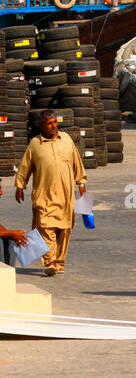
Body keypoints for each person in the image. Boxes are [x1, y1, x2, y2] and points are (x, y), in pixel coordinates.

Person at [15, 112, 87, 276]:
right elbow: (24, 168)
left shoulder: (67, 140)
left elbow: (77, 162)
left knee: (65, 230)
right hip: (44, 196)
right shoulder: (35, 144)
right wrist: (20, 187)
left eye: (55, 122)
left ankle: (60, 262)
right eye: (49, 123)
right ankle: (50, 262)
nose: (54, 126)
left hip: (66, 196)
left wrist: (81, 183)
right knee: (45, 228)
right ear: (42, 126)